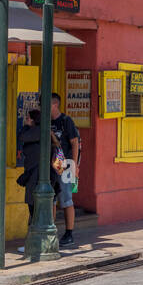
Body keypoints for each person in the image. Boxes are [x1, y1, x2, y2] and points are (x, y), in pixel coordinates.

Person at [17, 108, 62, 247]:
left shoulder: (37, 132)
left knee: (36, 211)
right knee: (38, 211)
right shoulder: (41, 131)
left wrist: (25, 126)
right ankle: (38, 242)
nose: (26, 120)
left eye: (28, 118)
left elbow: (22, 137)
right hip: (39, 177)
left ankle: (37, 243)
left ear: (33, 120)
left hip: (39, 178)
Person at [49, 92, 81, 247]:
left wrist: (74, 165)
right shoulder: (45, 121)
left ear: (55, 105)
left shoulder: (66, 121)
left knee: (66, 199)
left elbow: (75, 143)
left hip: (65, 162)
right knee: (51, 199)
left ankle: (69, 233)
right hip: (51, 164)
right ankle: (51, 231)